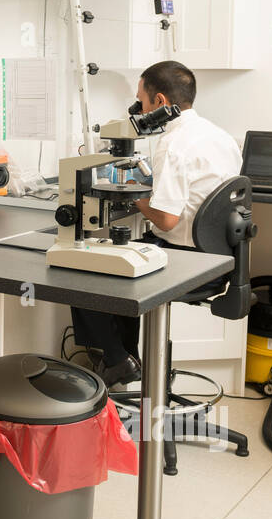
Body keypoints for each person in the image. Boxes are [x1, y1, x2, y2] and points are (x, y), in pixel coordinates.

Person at [72, 60, 242, 386]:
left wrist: (135, 195)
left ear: (160, 102)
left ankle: (118, 360)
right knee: (121, 259)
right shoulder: (221, 136)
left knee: (83, 270)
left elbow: (165, 219)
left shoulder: (174, 144)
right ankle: (128, 360)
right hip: (219, 259)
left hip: (184, 261)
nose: (139, 108)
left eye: (141, 100)